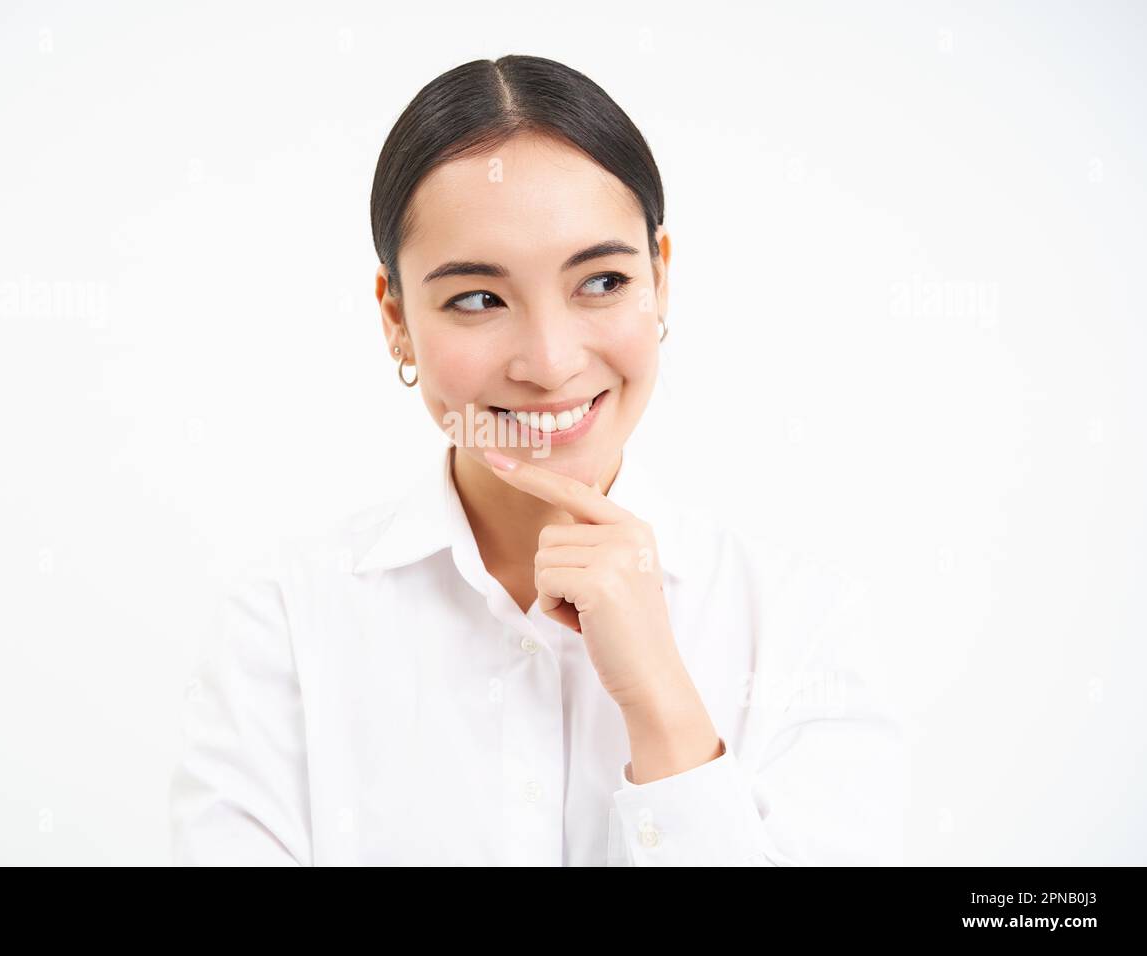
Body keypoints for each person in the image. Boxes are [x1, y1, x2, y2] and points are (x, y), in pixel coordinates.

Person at [169, 54, 907, 866]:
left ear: (659, 280)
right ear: (397, 320)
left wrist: (659, 698)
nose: (551, 363)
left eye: (601, 281)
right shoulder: (283, 625)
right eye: (478, 298)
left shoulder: (801, 625)